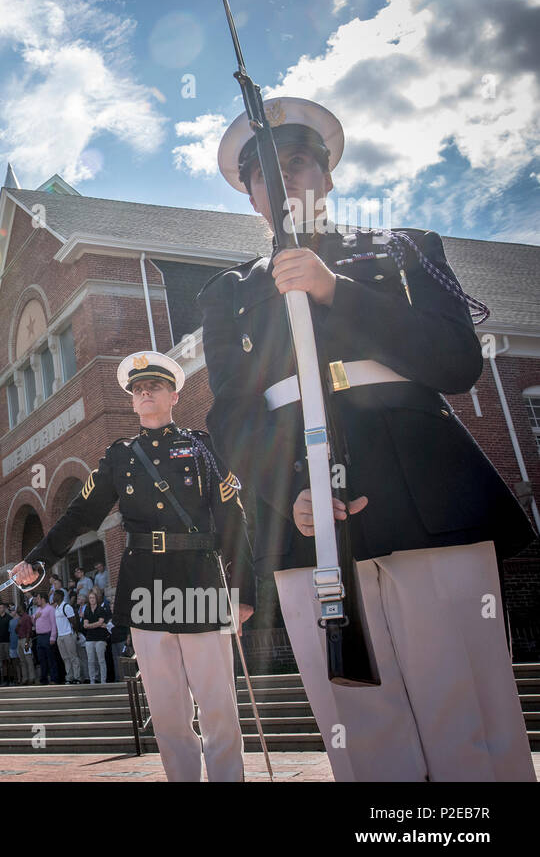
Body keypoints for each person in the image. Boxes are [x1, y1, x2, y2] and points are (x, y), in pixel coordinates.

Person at [199, 97, 537, 782]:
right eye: (264, 174)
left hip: (426, 502)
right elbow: (231, 420)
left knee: (468, 717)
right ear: (250, 196)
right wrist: (287, 490)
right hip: (307, 523)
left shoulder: (405, 248)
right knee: (362, 735)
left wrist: (336, 290)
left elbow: (455, 361)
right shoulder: (230, 294)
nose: (283, 181)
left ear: (328, 172)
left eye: (295, 162)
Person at [13, 351, 256, 781]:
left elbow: (232, 519)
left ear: (174, 395)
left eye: (155, 386)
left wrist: (243, 592)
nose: (145, 392)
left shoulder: (202, 446)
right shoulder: (119, 457)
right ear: (131, 400)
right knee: (166, 712)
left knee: (218, 705)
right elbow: (80, 515)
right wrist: (38, 560)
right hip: (146, 588)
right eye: (138, 388)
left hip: (200, 581)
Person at [81, 589, 111, 685]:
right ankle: (92, 680)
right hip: (89, 638)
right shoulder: (87, 609)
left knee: (101, 660)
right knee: (90, 660)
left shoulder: (101, 609)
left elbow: (101, 622)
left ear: (96, 599)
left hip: (100, 638)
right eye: (90, 598)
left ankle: (103, 680)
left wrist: (91, 625)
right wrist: (95, 625)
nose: (92, 599)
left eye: (93, 598)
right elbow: (85, 625)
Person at [51, 590, 81, 685]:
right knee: (65, 658)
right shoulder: (56, 608)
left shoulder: (66, 607)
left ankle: (77, 677)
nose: (53, 596)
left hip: (68, 634)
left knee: (73, 657)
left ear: (60, 596)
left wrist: (75, 634)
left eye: (55, 595)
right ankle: (69, 677)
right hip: (60, 636)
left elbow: (74, 621)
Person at [30, 593, 56, 684]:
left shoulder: (50, 609)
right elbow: (32, 619)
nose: (36, 600)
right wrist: (34, 618)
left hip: (47, 635)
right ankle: (43, 679)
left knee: (50, 658)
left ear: (43, 599)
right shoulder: (38, 609)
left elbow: (53, 623)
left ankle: (53, 678)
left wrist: (53, 637)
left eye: (38, 598)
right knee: (41, 659)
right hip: (39, 636)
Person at [14, 606, 35, 685]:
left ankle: (31, 677)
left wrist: (27, 643)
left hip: (25, 639)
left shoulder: (27, 617)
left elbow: (29, 630)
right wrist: (18, 625)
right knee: (22, 661)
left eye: (18, 608)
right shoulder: (19, 618)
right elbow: (16, 631)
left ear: (22, 609)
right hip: (19, 639)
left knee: (28, 659)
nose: (17, 610)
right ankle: (25, 678)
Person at [0, 602, 12, 685]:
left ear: (4, 608)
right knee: (2, 661)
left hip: (7, 641)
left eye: (1, 608)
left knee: (9, 660)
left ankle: (11, 678)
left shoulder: (9, 618)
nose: (0, 609)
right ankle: (4, 679)